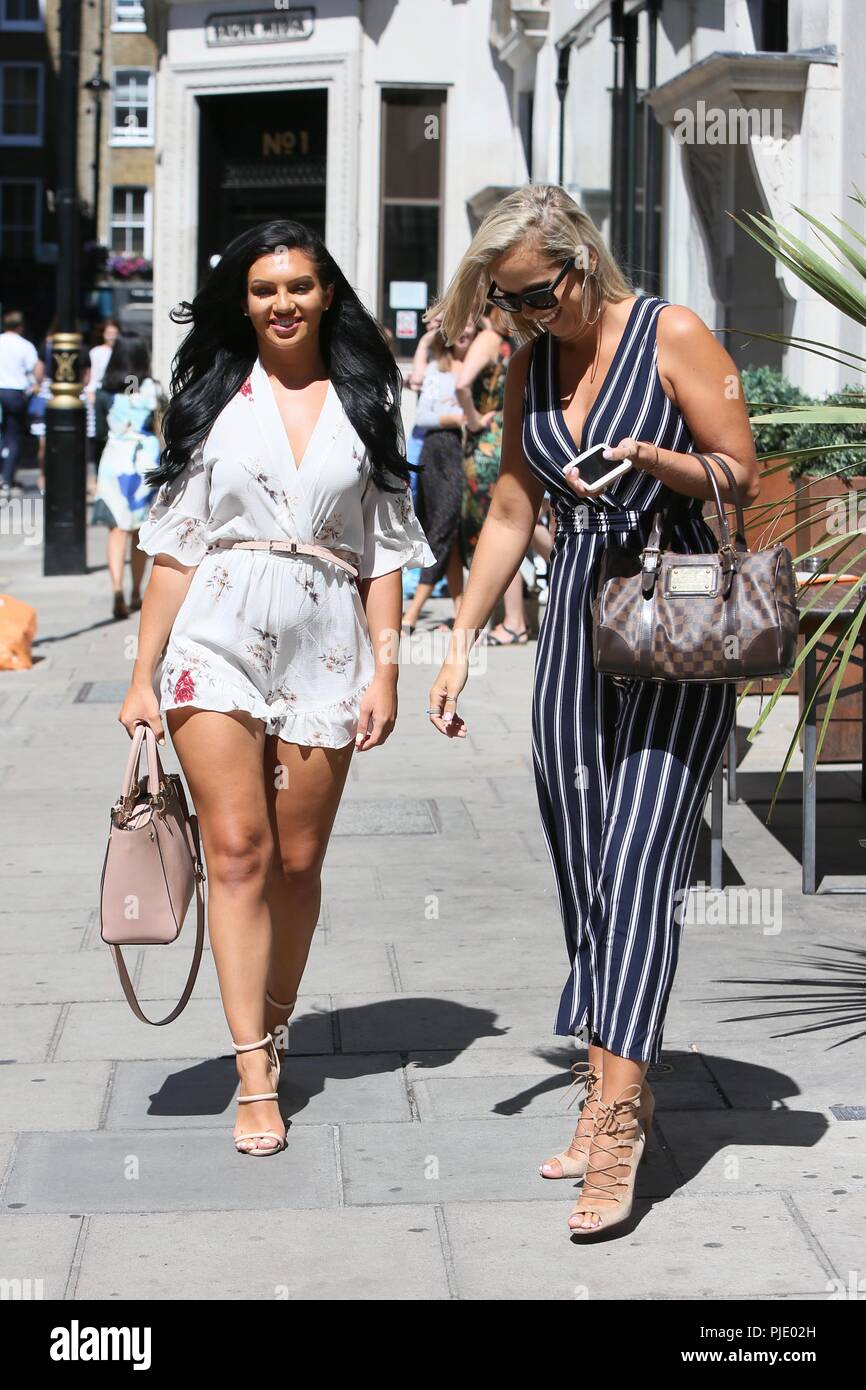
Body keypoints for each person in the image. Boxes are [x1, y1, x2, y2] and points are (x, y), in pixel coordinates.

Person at [426, 184, 759, 1237]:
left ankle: (615, 1118)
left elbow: (739, 475)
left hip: (671, 621)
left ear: (579, 264)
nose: (519, 317)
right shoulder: (530, 359)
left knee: (635, 864)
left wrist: (656, 461)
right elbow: (513, 508)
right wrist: (461, 636)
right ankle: (614, 1075)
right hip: (573, 623)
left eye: (530, 295)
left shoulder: (672, 332)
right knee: (583, 866)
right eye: (503, 302)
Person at [117, 220, 434, 1157]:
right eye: (263, 290)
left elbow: (383, 553)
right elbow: (174, 549)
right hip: (214, 640)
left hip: (328, 647)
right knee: (241, 851)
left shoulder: (371, 397)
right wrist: (141, 675)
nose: (282, 303)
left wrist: (386, 669)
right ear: (243, 303)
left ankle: (279, 1017)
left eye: (298, 285)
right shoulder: (212, 394)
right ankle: (253, 1067)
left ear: (326, 292)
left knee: (297, 864)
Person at [454, 305, 535, 645]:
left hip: (485, 445)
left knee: (492, 531)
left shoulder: (488, 338)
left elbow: (461, 385)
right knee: (511, 523)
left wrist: (472, 420)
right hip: (508, 437)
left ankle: (512, 621)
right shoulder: (509, 344)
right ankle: (513, 619)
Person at [400, 321, 477, 634]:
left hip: (468, 454)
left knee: (450, 531)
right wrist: (462, 417)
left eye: (471, 326)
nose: (465, 331)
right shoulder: (437, 367)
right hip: (439, 450)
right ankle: (429, 613)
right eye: (461, 324)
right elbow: (424, 417)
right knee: (443, 528)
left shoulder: (479, 368)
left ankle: (436, 612)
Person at [91, 331, 161, 619]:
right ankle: (135, 593)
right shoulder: (152, 388)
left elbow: (96, 433)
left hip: (114, 461)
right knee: (140, 532)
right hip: (145, 460)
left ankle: (117, 588)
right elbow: (161, 425)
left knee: (116, 528)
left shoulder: (105, 392)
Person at [0, 310, 43, 498]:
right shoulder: (25, 345)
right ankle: (6, 479)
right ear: (20, 326)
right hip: (15, 392)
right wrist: (35, 385)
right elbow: (36, 370)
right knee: (13, 435)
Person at [87, 319, 121, 470]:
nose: (112, 336)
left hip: (118, 392)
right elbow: (94, 374)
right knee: (99, 432)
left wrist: (132, 392)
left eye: (114, 333)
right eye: (109, 333)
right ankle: (98, 467)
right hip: (101, 391)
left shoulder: (123, 351)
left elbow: (131, 376)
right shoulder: (96, 352)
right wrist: (91, 391)